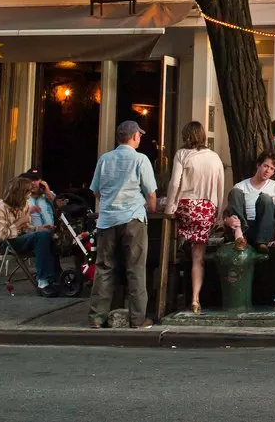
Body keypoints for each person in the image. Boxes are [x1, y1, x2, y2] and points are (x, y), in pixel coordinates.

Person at [88, 120, 158, 329]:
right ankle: (137, 319)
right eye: (140, 136)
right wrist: (150, 208)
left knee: (104, 268)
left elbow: (96, 191)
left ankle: (97, 318)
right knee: (135, 268)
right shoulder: (141, 159)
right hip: (133, 219)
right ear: (135, 136)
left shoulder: (105, 159)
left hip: (107, 219)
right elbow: (151, 194)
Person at [164, 121, 225, 314]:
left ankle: (169, 296)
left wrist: (170, 208)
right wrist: (217, 210)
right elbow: (220, 186)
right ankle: (195, 299)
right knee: (198, 257)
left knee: (173, 249)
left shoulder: (182, 155)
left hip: (185, 205)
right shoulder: (214, 157)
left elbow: (175, 183)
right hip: (206, 207)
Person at [0, 175, 59, 297]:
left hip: (20, 238)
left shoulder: (23, 204)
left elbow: (26, 228)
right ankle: (43, 282)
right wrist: (21, 221)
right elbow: (1, 235)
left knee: (47, 235)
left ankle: (55, 277)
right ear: (19, 192)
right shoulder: (0, 206)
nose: (29, 195)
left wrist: (37, 228)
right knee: (41, 237)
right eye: (27, 192)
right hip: (6, 244)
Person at [224, 152, 275, 251]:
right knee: (235, 192)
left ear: (273, 173)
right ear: (258, 165)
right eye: (266, 166)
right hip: (244, 227)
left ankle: (261, 243)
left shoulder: (274, 186)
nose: (267, 170)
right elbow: (226, 212)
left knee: (265, 198)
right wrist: (227, 220)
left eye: (272, 169)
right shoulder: (241, 186)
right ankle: (239, 236)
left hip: (264, 227)